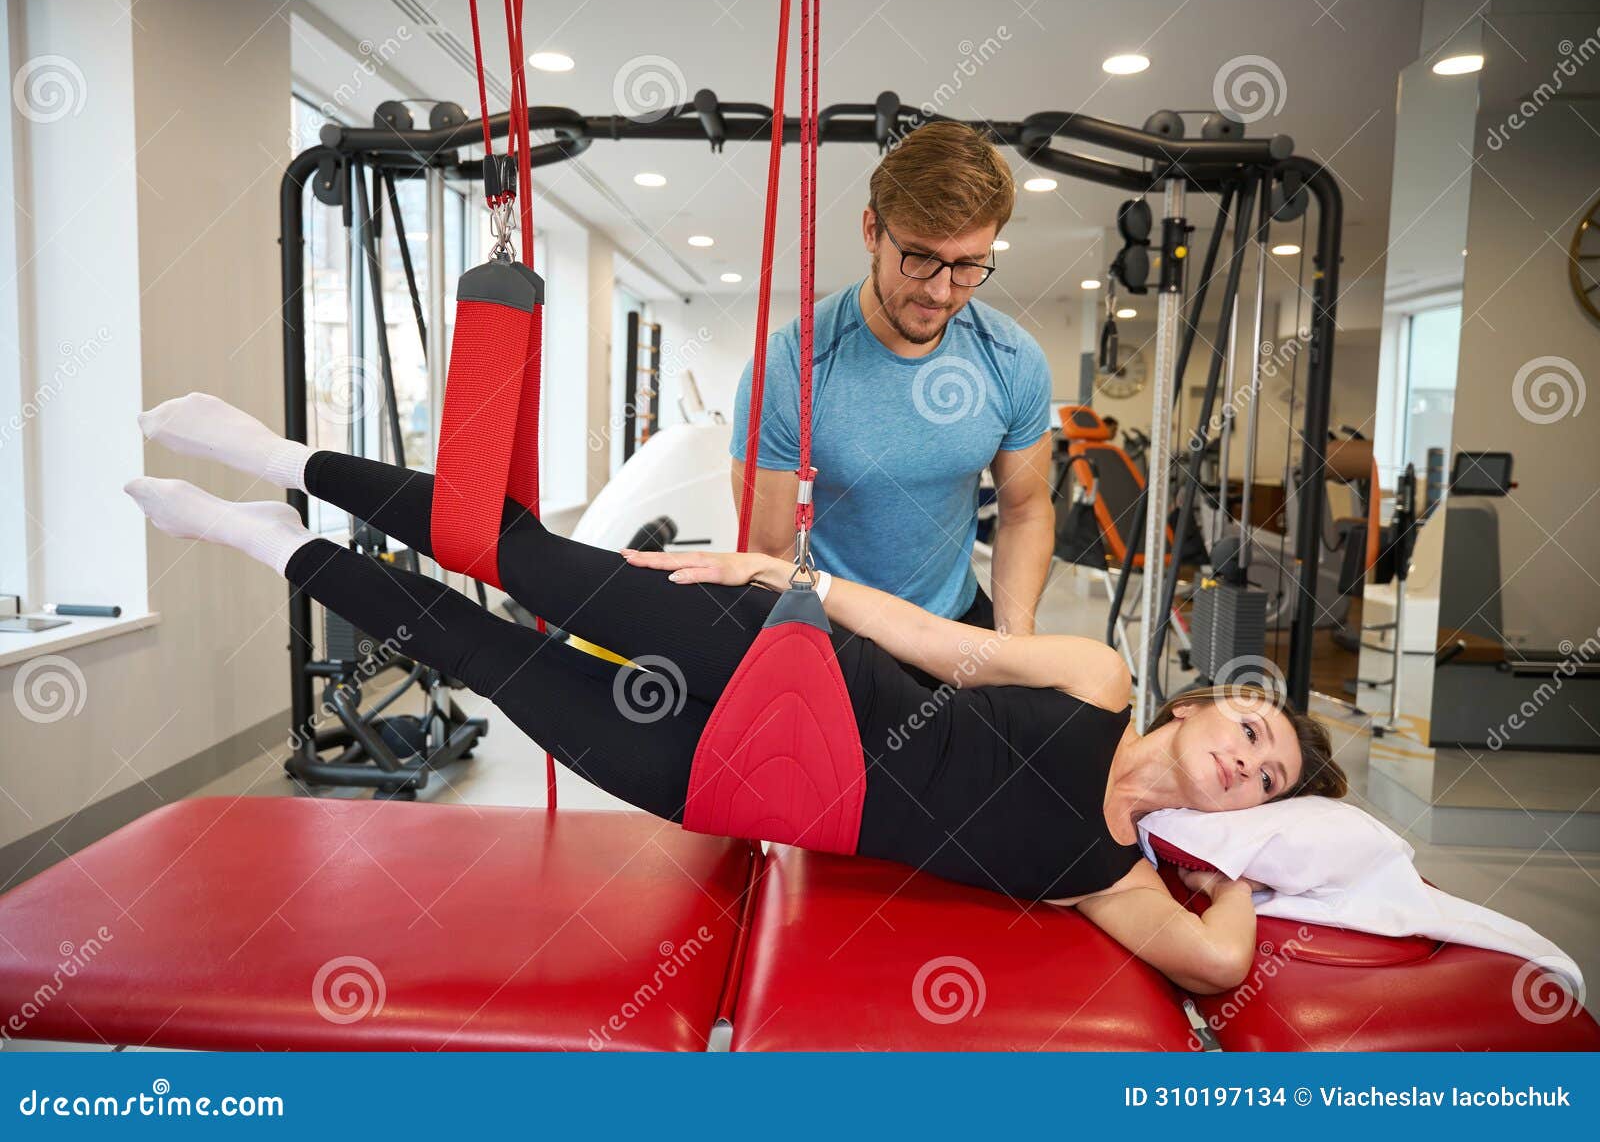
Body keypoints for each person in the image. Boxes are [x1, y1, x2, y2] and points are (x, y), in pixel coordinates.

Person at [128, 393, 1345, 995]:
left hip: (726, 779)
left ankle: (256, 540)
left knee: (482, 659)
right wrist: (783, 572)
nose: (1248, 759)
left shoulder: (1114, 879)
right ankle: (281, 460)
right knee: (519, 558)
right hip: (778, 658)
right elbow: (926, 636)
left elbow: (1213, 966)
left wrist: (1240, 865)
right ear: (1192, 706)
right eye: (1251, 726)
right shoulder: (1097, 678)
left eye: (1268, 776)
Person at [731, 121, 1055, 637]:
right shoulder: (789, 370)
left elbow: (1026, 512)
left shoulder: (1014, 361)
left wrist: (1012, 646)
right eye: (920, 258)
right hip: (832, 629)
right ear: (871, 231)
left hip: (955, 625)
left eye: (969, 265)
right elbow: (767, 551)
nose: (941, 292)